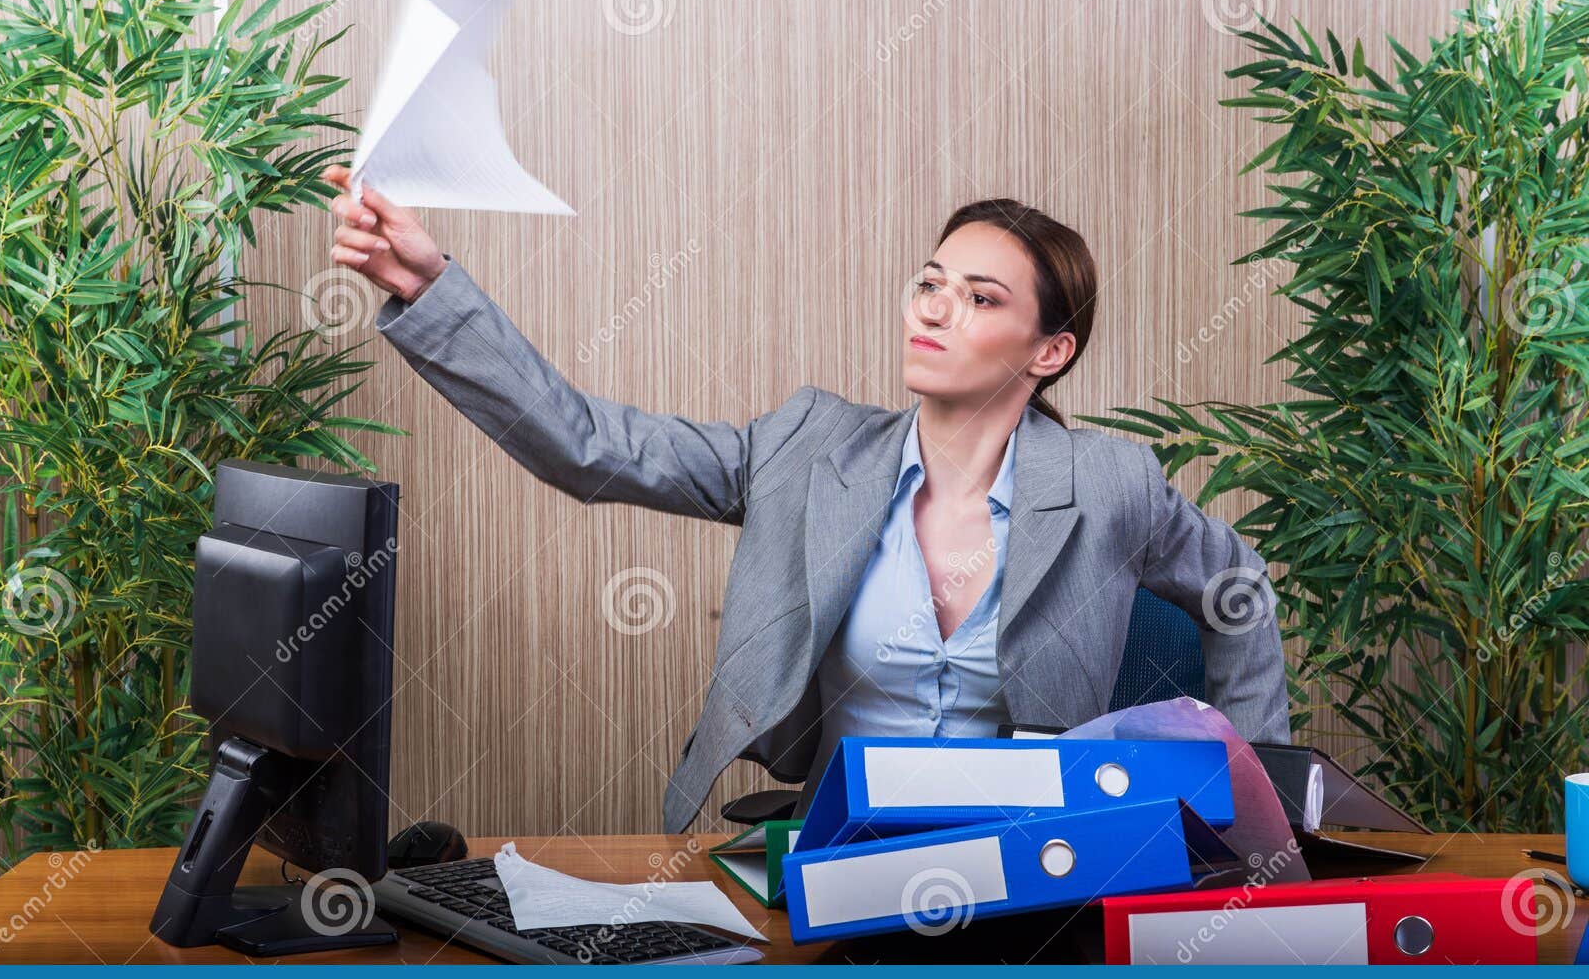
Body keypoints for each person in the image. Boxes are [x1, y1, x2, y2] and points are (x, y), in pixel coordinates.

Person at [320, 165, 1290, 832]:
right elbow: (587, 447)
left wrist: (1257, 807)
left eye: (981, 297)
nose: (935, 308)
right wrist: (431, 287)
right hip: (840, 861)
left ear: (1050, 351)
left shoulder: (1111, 485)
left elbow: (1239, 590)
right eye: (931, 283)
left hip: (1037, 879)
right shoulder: (806, 448)